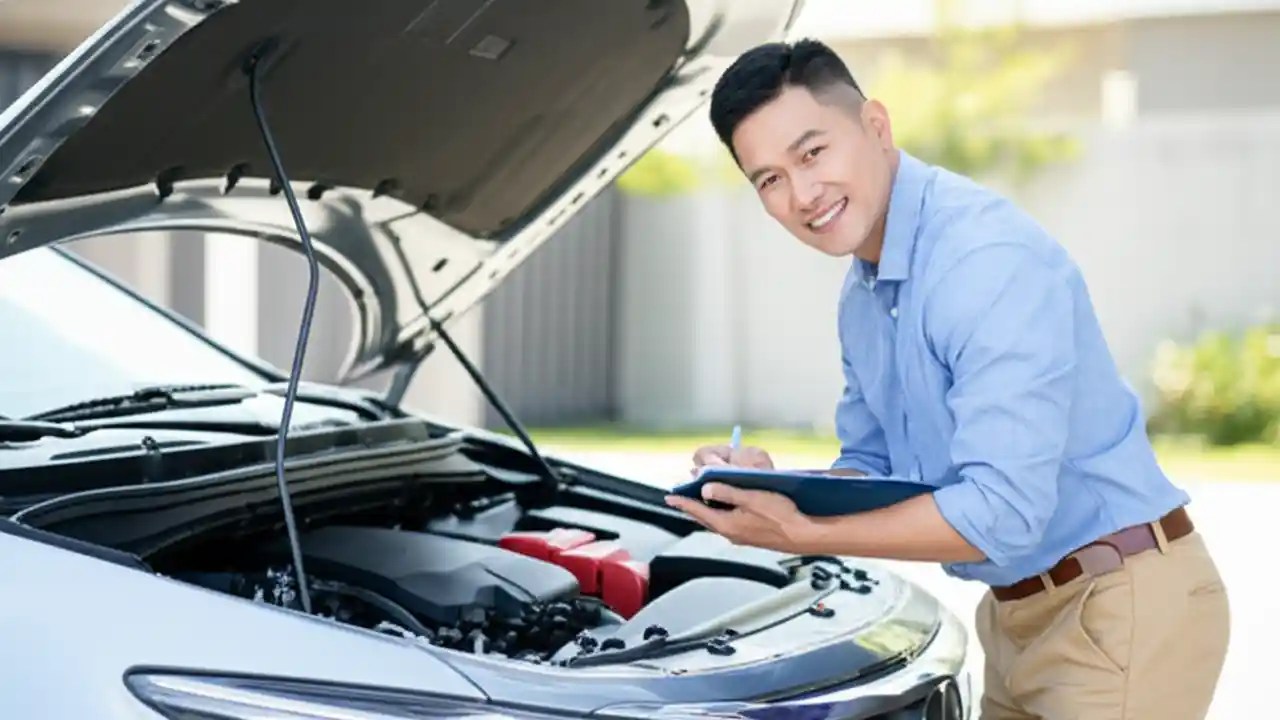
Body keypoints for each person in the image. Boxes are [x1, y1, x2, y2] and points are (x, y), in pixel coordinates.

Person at [664, 38, 1230, 720]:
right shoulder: (864, 294)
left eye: (811, 153)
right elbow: (872, 469)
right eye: (770, 180)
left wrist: (804, 533)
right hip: (1018, 615)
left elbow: (1003, 514)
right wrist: (775, 491)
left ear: (876, 126)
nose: (802, 194)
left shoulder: (982, 260)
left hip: (1118, 604)